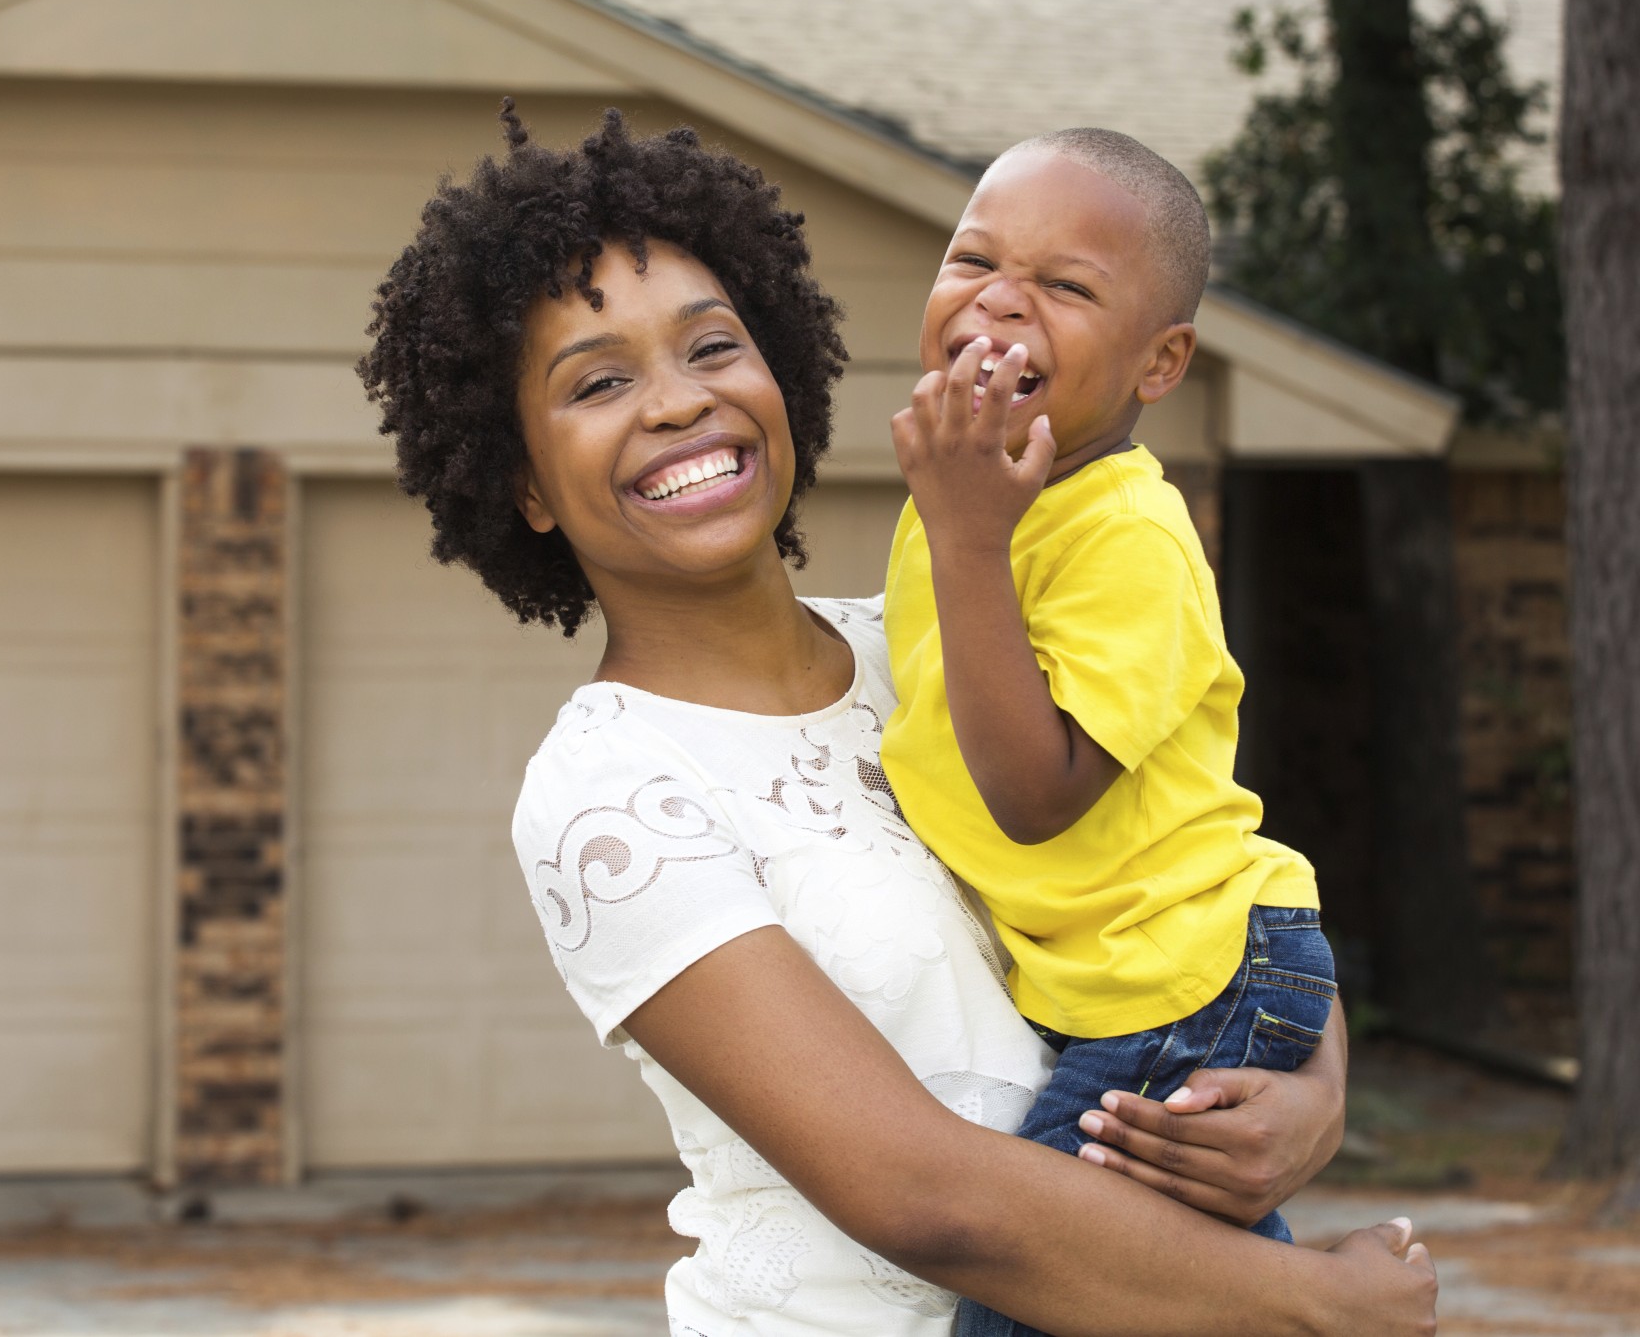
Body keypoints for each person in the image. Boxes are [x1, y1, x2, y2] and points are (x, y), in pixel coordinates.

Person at [357, 102, 1436, 1337]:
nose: (673, 404)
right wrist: (1318, 1305)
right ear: (522, 486)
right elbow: (918, 1194)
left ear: (781, 373)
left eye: (712, 348)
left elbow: (1196, 869)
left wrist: (1312, 1081)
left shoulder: (935, 644)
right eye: (598, 383)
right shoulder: (608, 790)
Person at [878, 130, 1338, 1336]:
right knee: (1166, 1289)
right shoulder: (967, 507)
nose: (997, 299)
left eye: (1066, 286)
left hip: (1183, 982)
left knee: (1048, 1286)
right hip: (1126, 977)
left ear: (1159, 361)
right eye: (971, 257)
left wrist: (967, 534)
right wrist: (966, 526)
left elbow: (1037, 791)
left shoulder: (1121, 534)